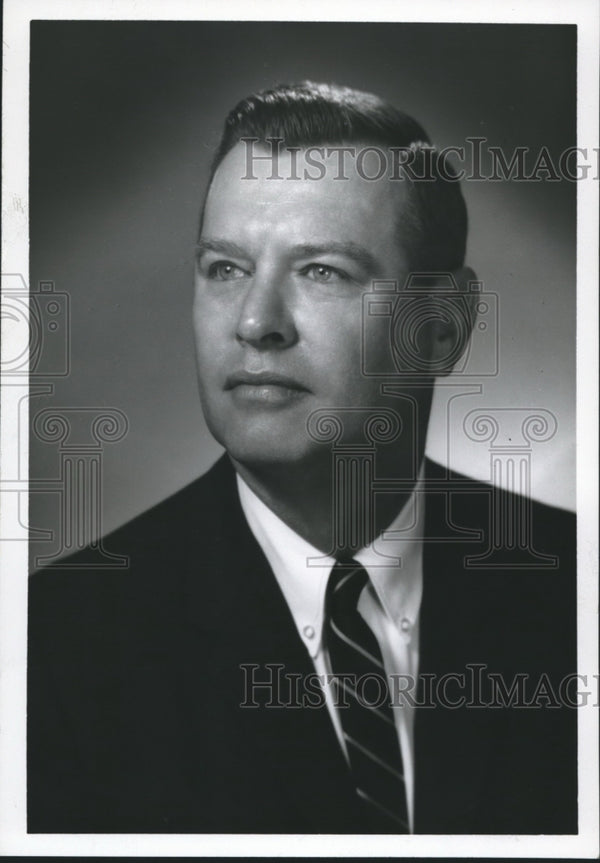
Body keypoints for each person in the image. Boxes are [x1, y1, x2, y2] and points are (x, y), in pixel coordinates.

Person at [28, 82, 577, 835]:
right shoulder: (52, 650)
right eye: (225, 268)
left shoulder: (576, 589)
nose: (257, 322)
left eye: (323, 271)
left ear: (443, 328)